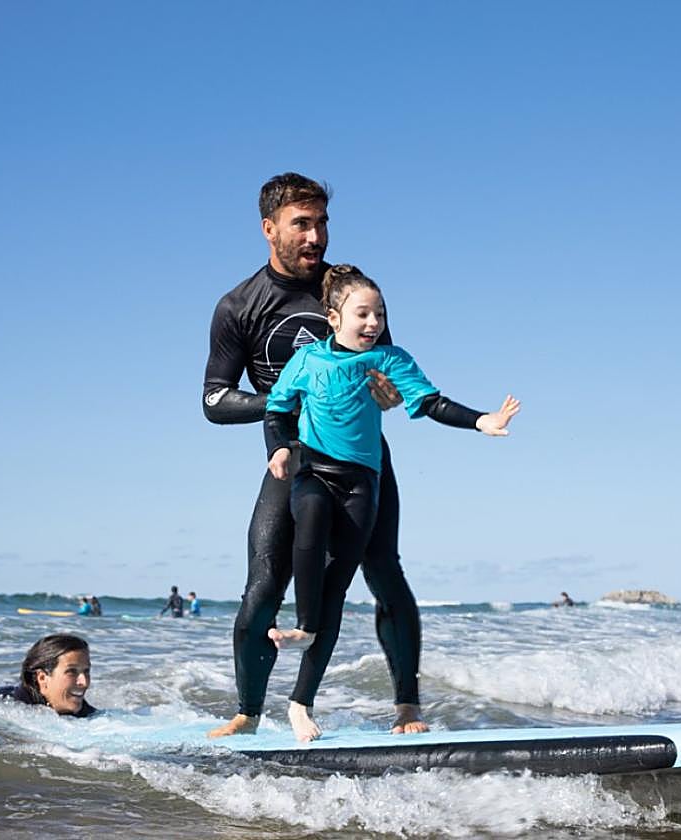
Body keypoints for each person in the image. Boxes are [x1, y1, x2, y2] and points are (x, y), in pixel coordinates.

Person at [202, 172, 428, 738]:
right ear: (269, 228)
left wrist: (389, 391)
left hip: (362, 460)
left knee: (384, 573)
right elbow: (212, 400)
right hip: (294, 459)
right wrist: (286, 404)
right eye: (302, 223)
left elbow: (387, 376)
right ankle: (248, 713)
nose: (315, 236)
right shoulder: (239, 306)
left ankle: (407, 706)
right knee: (264, 583)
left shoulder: (348, 292)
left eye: (322, 223)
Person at [263, 264, 519, 740]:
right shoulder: (306, 361)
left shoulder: (389, 358)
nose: (374, 322)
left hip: (363, 481)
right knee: (312, 514)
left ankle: (302, 698)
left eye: (379, 314)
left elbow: (432, 402)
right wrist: (278, 448)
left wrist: (481, 420)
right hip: (314, 470)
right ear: (333, 317)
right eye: (363, 313)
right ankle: (303, 626)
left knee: (342, 582)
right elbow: (277, 409)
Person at [0, 633, 97, 717]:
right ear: (42, 678)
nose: (84, 682)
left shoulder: (89, 715)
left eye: (86, 671)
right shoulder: (5, 709)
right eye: (71, 671)